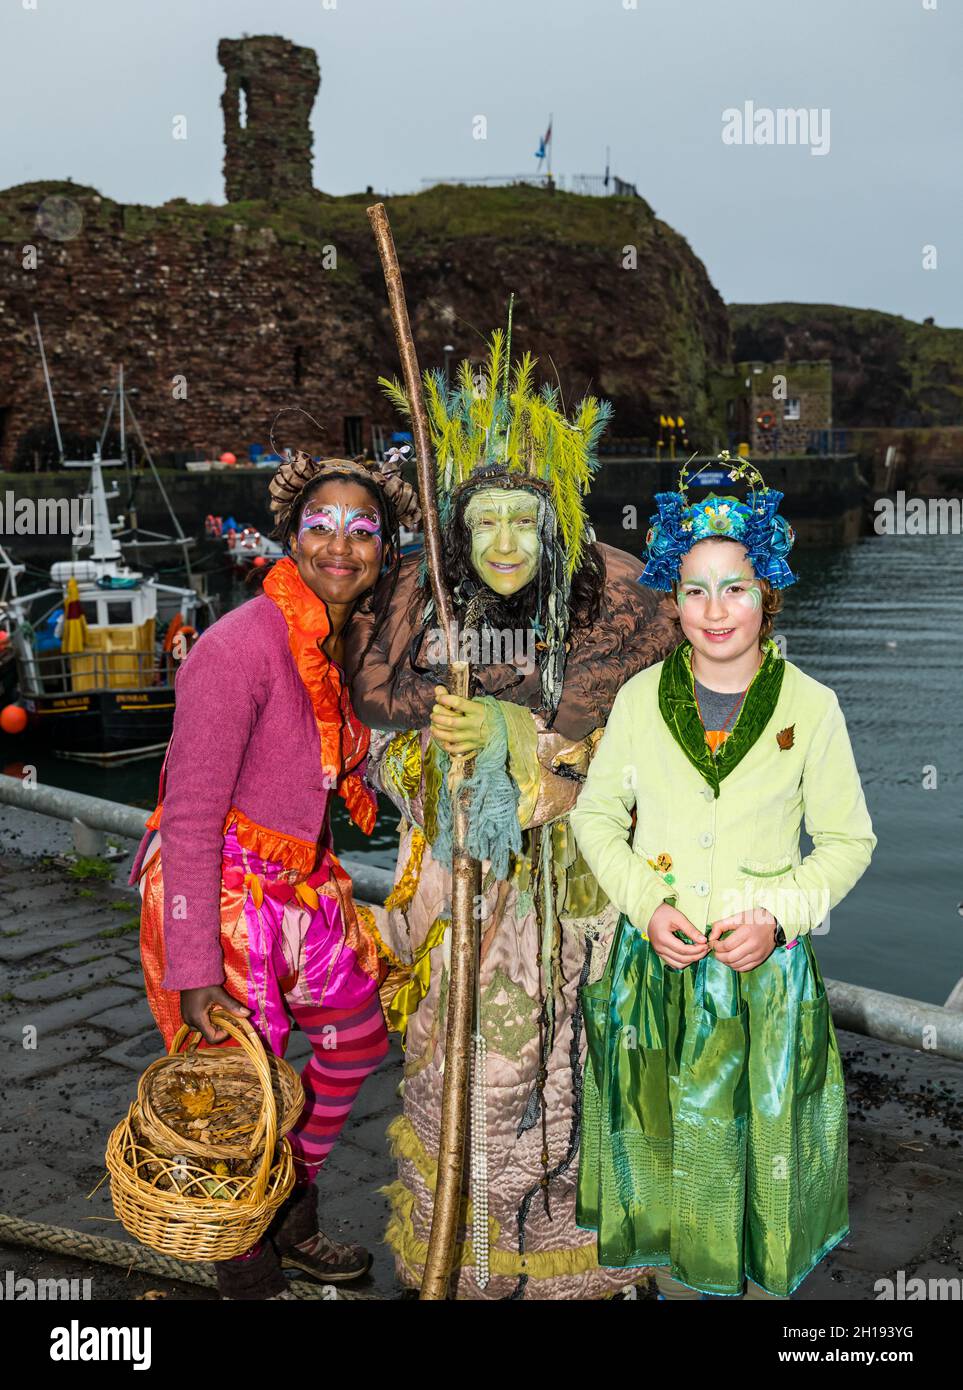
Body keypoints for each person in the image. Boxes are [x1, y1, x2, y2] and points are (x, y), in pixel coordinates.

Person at [344, 329, 680, 1298]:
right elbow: (390, 756)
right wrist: (445, 755)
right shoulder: (426, 623)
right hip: (472, 913)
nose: (501, 545)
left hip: (583, 911)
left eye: (522, 523)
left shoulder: (614, 627)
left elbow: (654, 767)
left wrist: (542, 754)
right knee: (484, 1090)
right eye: (482, 521)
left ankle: (582, 1273)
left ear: (555, 529)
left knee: (587, 1090)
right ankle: (475, 1267)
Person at [570, 453, 876, 1300]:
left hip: (762, 984)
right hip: (655, 974)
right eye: (696, 589)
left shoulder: (811, 706)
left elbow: (848, 840)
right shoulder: (636, 701)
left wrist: (779, 916)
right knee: (666, 1165)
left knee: (752, 1175)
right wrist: (643, 900)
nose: (714, 610)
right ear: (671, 598)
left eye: (735, 588)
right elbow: (595, 817)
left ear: (767, 593)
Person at [131, 443, 418, 1300]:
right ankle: (247, 1266)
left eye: (361, 529)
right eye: (320, 526)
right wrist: (192, 972)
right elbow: (187, 818)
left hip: (301, 884)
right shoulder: (236, 648)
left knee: (356, 1035)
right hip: (219, 889)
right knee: (239, 1093)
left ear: (385, 547)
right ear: (290, 536)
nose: (340, 545)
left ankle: (289, 1199)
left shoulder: (343, 645)